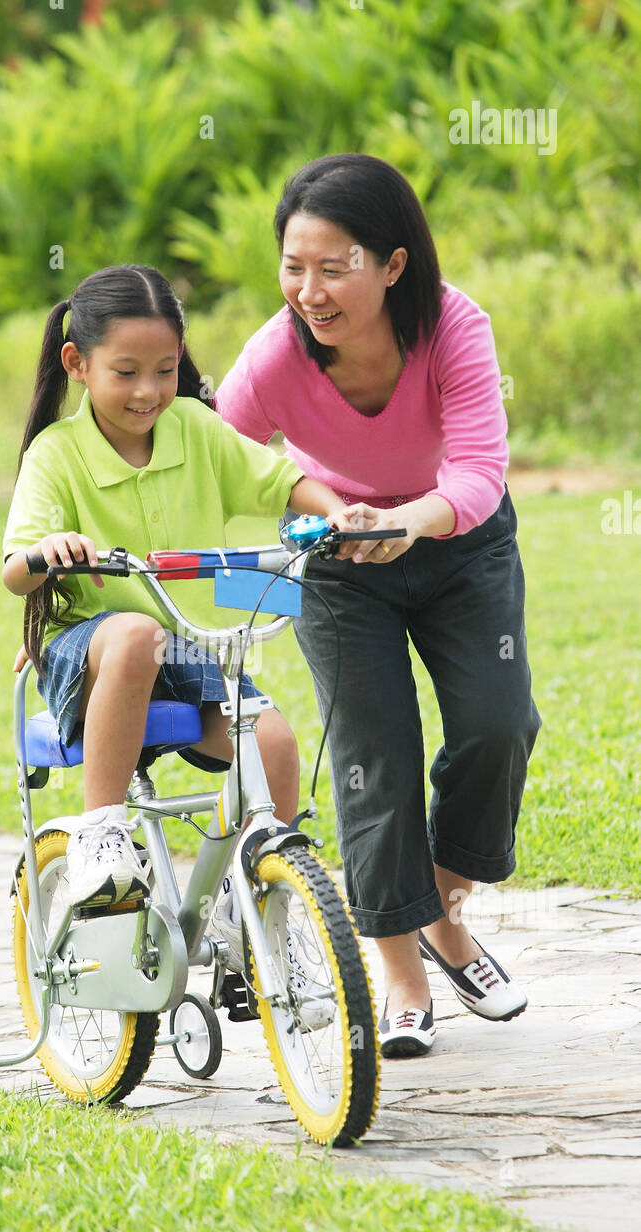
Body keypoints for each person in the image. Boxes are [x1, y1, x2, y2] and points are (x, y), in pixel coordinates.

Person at [214, 153, 542, 1057]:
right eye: (293, 266)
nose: (308, 291)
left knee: (498, 723)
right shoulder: (276, 354)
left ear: (393, 264)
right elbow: (222, 455)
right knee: (374, 755)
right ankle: (402, 968)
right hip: (340, 562)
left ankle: (441, 912)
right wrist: (319, 511)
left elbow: (479, 469)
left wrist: (410, 522)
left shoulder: (452, 328)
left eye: (334, 267)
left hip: (457, 542)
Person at [2, 263, 351, 913]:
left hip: (192, 650)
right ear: (77, 363)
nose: (149, 390)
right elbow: (15, 568)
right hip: (93, 650)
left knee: (272, 745)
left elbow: (280, 483)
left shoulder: (194, 427)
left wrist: (337, 512)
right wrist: (47, 553)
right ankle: (101, 833)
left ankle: (247, 904)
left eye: (165, 370)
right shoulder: (57, 454)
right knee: (137, 633)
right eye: (126, 372)